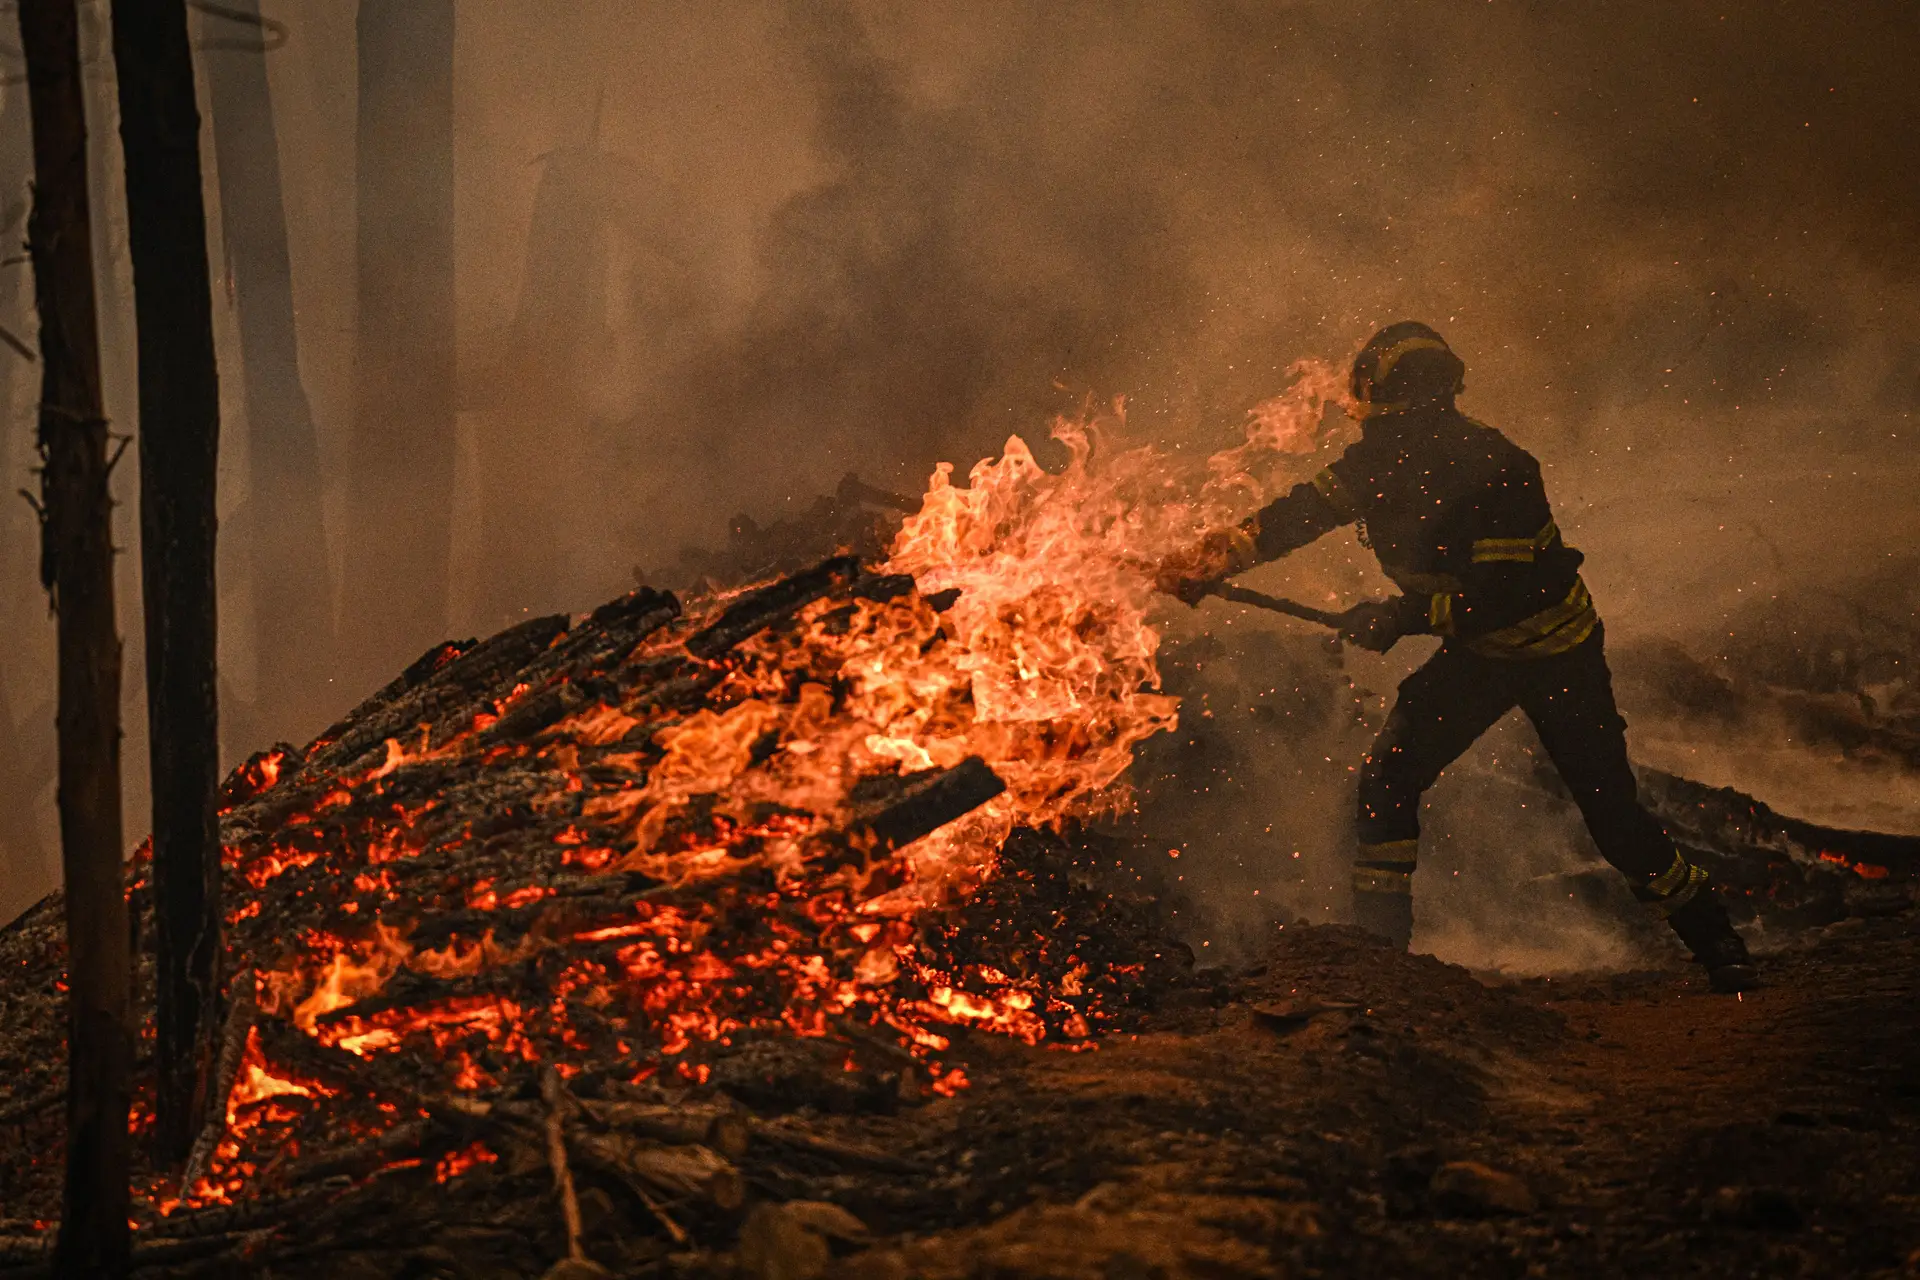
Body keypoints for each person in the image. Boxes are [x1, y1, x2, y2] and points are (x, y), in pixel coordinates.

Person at [1157, 321, 1755, 992]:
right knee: (1389, 778)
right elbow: (1291, 518)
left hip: (1555, 653)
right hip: (1479, 657)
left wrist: (1399, 617)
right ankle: (1383, 962)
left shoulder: (1500, 469)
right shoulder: (1374, 464)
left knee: (1614, 819)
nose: (1374, 428)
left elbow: (1507, 596)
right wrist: (1209, 562)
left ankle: (1716, 940)